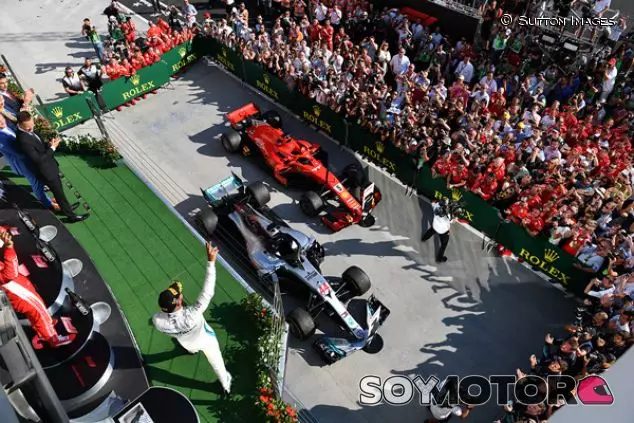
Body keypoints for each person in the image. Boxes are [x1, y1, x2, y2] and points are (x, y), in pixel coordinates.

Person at [152, 242, 232, 395]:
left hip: (186, 342)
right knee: (217, 363)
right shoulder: (193, 314)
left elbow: (160, 317)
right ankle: (225, 385)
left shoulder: (158, 320)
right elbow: (208, 292)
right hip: (207, 339)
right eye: (178, 294)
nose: (180, 293)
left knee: (190, 347)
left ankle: (192, 351)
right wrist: (211, 262)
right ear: (180, 301)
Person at [0, 230, 73, 348]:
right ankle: (53, 339)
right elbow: (10, 274)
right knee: (38, 312)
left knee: (38, 311)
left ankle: (44, 328)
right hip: (18, 293)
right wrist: (9, 247)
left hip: (19, 290)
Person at [14, 111, 88, 223]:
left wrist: (49, 144)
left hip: (49, 167)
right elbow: (38, 160)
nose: (31, 128)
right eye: (27, 127)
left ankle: (66, 208)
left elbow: (39, 145)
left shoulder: (29, 131)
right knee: (58, 192)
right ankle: (71, 216)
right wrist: (52, 148)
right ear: (20, 124)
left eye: (31, 125)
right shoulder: (23, 139)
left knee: (59, 192)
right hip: (45, 171)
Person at [0, 115, 54, 210]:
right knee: (36, 183)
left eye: (1, 118)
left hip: (27, 160)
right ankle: (48, 205)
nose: (2, 121)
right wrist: (33, 152)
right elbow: (17, 153)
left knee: (38, 181)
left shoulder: (5, 127)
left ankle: (48, 200)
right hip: (23, 163)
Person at [421, 198, 457, 263]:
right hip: (443, 232)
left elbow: (433, 202)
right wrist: (456, 218)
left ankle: (424, 238)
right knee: (443, 245)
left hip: (435, 226)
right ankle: (439, 259)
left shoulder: (436, 206)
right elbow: (453, 221)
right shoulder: (448, 216)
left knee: (431, 231)